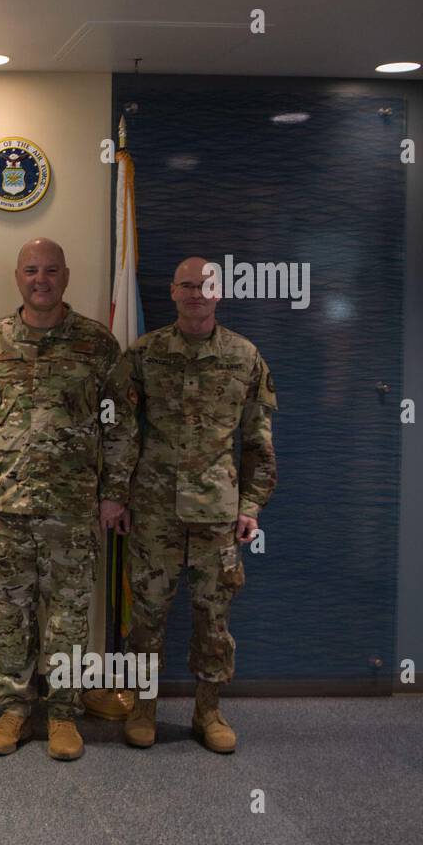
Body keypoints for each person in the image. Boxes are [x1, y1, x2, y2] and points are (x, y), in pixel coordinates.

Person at [101, 256, 278, 753]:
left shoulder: (245, 357)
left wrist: (252, 504)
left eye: (206, 285)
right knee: (147, 619)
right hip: (153, 509)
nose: (197, 292)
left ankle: (209, 711)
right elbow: (119, 429)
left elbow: (258, 440)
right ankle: (143, 706)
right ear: (173, 292)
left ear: (219, 292)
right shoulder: (144, 353)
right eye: (187, 285)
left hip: (218, 515)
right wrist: (114, 493)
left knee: (213, 618)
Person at [0, 239, 119, 761]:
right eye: (31, 270)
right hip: (5, 507)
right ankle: (13, 708)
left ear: (67, 277)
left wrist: (114, 492)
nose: (41, 279)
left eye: (51, 270)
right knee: (9, 615)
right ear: (18, 277)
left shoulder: (97, 344)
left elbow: (119, 425)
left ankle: (64, 713)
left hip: (73, 509)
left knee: (69, 617)